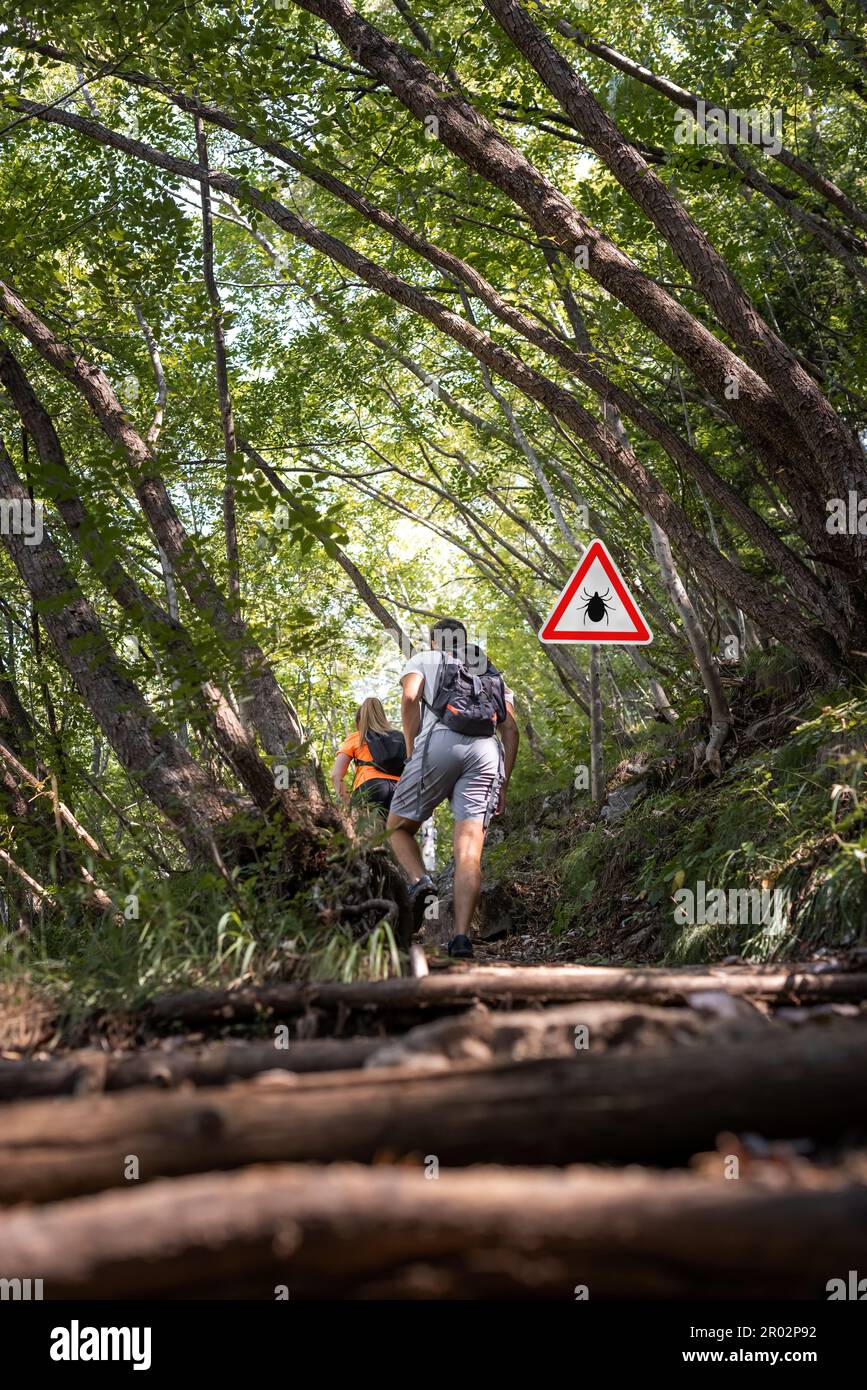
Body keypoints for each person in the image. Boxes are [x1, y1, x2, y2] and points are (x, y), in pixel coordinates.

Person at [387, 618, 519, 959]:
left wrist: (411, 745)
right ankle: (461, 938)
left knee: (397, 828)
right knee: (469, 852)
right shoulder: (488, 669)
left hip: (439, 744)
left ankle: (422, 882)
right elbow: (511, 731)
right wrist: (503, 782)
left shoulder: (426, 660)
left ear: (434, 641)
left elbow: (409, 698)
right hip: (487, 753)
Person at [331, 697, 405, 821]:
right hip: (400, 790)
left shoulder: (357, 737)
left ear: (360, 721)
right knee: (397, 836)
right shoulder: (399, 737)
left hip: (371, 787)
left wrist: (348, 805)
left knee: (367, 838)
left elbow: (336, 775)